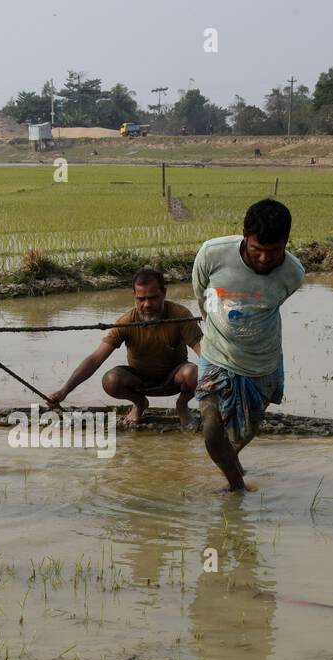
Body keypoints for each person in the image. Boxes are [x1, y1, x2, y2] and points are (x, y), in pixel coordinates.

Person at [191, 199, 304, 491]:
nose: (265, 259)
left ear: (286, 242)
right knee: (212, 429)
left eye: (274, 251)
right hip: (216, 355)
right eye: (257, 249)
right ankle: (236, 487)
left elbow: (270, 308)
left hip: (262, 362)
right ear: (244, 234)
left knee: (244, 433)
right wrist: (218, 326)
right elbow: (201, 295)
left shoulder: (293, 274)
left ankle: (231, 466)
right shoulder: (212, 254)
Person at [48, 266, 201, 427]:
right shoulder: (126, 322)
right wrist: (64, 391)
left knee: (195, 372)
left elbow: (203, 351)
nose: (147, 304)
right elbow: (95, 359)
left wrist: (222, 381)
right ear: (134, 296)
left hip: (174, 379)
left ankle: (182, 406)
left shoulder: (180, 315)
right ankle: (139, 403)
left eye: (153, 297)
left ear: (164, 293)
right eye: (141, 299)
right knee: (111, 380)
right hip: (139, 381)